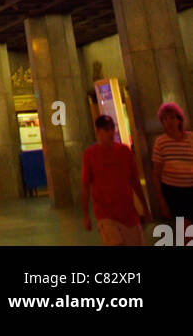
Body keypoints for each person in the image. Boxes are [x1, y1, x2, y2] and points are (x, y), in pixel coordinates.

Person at [81, 115, 149, 247]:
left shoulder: (124, 151)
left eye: (112, 129)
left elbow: (134, 181)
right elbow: (85, 186)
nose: (111, 133)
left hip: (128, 213)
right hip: (105, 214)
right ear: (98, 132)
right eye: (106, 130)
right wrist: (86, 215)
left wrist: (145, 207)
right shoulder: (90, 155)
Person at [152, 101, 193, 233]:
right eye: (164, 119)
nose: (168, 122)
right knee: (185, 229)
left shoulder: (191, 138)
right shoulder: (161, 142)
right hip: (174, 192)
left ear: (179, 120)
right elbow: (156, 174)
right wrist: (161, 201)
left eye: (172, 117)